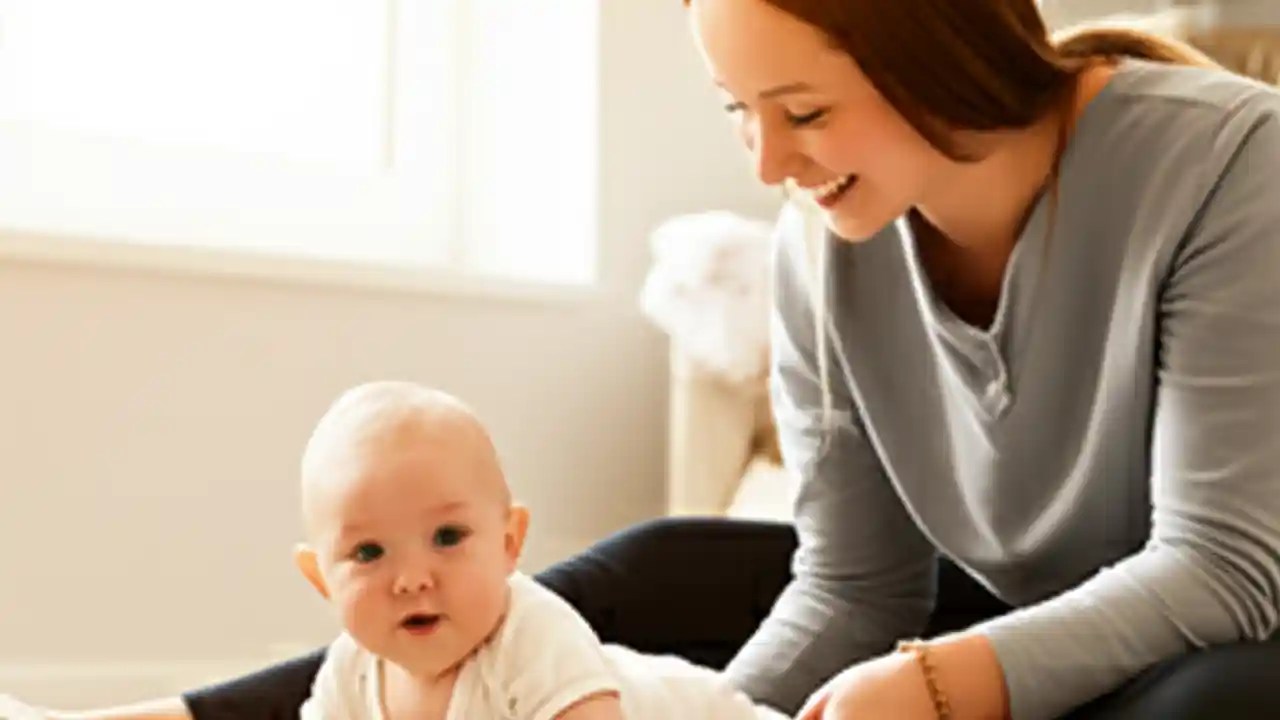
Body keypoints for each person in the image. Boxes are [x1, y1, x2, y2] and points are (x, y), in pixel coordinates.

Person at [5, 1, 1279, 718]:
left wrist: (941, 690)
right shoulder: (820, 249)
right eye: (738, 116)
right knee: (655, 568)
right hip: (994, 617)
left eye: (803, 112)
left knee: (1217, 705)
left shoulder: (1227, 163)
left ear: (933, 47)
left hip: (1218, 634)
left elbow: (1221, 567)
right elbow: (854, 590)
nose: (769, 168)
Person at [294, 381, 786, 719]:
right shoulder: (349, 675)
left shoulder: (531, 637)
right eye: (368, 553)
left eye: (447, 538)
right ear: (321, 582)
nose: (412, 578)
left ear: (509, 544)